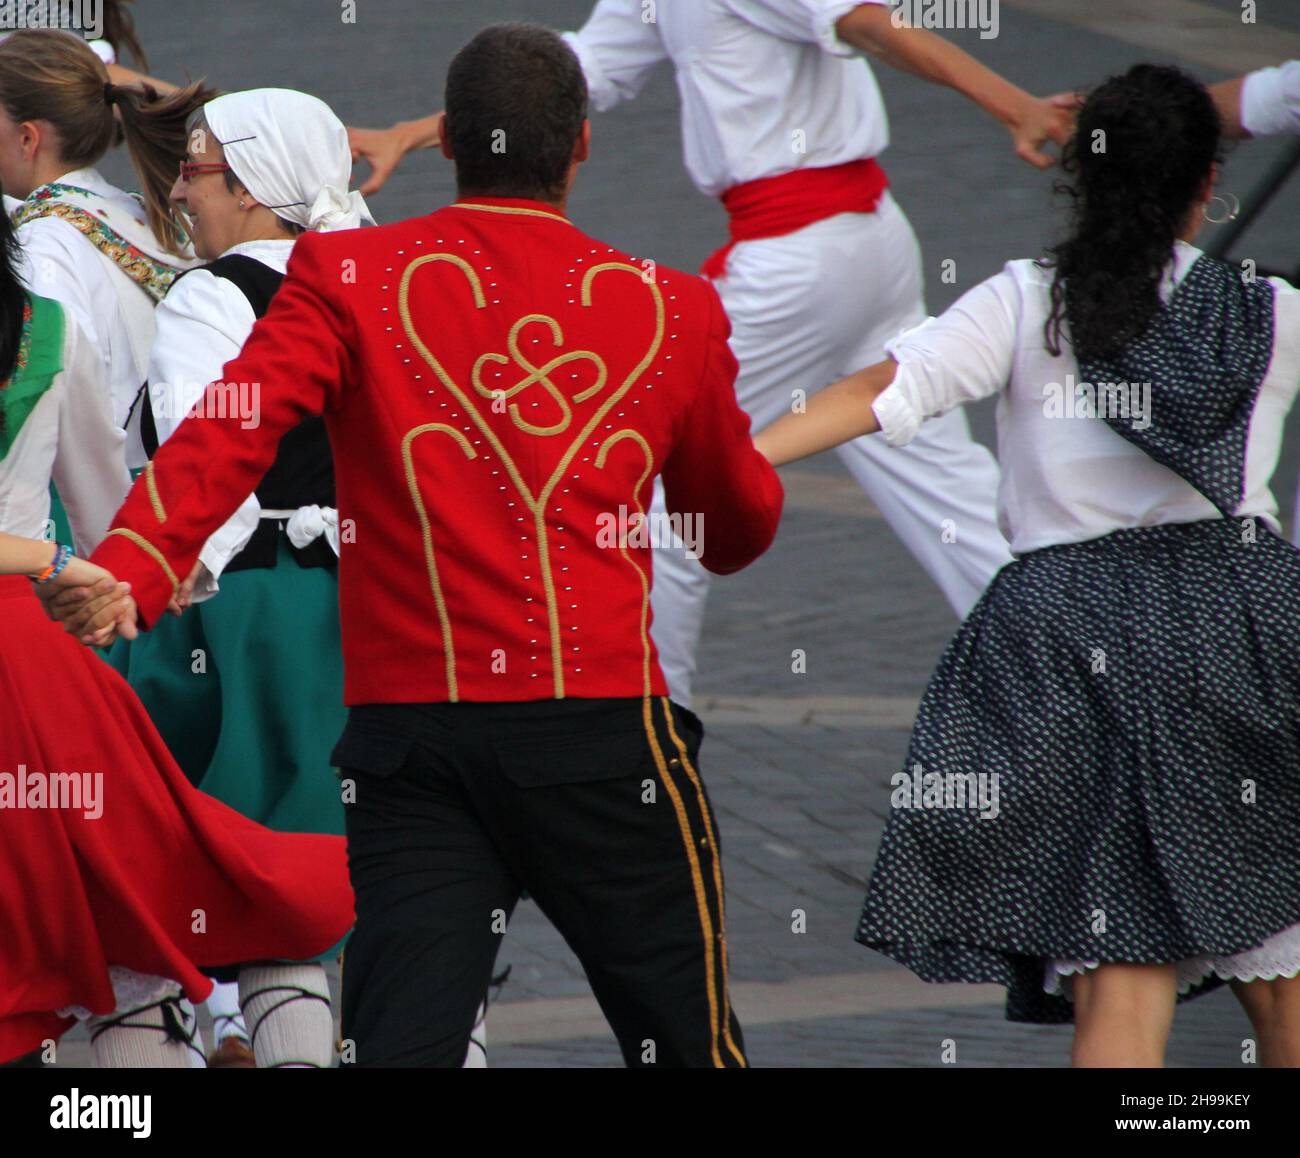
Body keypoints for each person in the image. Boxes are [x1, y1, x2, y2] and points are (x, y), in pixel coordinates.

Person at [46, 23, 784, 1069]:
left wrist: (133, 567)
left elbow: (231, 427)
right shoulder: (674, 307)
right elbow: (737, 528)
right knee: (683, 1039)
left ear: (447, 146)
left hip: (413, 744)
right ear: (579, 148)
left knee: (407, 1045)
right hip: (600, 733)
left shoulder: (351, 275)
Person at [755, 64, 1300, 1068]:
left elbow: (884, 392)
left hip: (1071, 642)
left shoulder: (1025, 303)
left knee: (1121, 990)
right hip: (1239, 631)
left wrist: (732, 457)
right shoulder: (1272, 312)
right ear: (1205, 185)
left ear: (1079, 180)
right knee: (1284, 983)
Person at [349, 0, 1075, 706]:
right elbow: (586, 68)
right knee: (945, 488)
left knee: (656, 482)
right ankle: (1082, 668)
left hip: (797, 265)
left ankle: (652, 729)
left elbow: (867, 21)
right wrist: (414, 132)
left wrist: (1015, 105)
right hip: (865, 237)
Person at [0, 205, 354, 1069]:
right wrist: (94, 584)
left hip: (40, 646)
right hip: (31, 666)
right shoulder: (43, 333)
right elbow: (102, 510)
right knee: (127, 925)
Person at [108, 87, 369, 1067]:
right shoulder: (375, 280)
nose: (178, 186)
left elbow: (194, 453)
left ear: (257, 188)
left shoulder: (214, 294)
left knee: (187, 888)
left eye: (198, 166)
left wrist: (148, 577)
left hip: (245, 613)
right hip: (372, 611)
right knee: (359, 881)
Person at [0, 29, 209, 475]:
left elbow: (53, 401)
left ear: (27, 138)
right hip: (173, 482)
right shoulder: (142, 211)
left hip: (100, 506)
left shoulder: (43, 245)